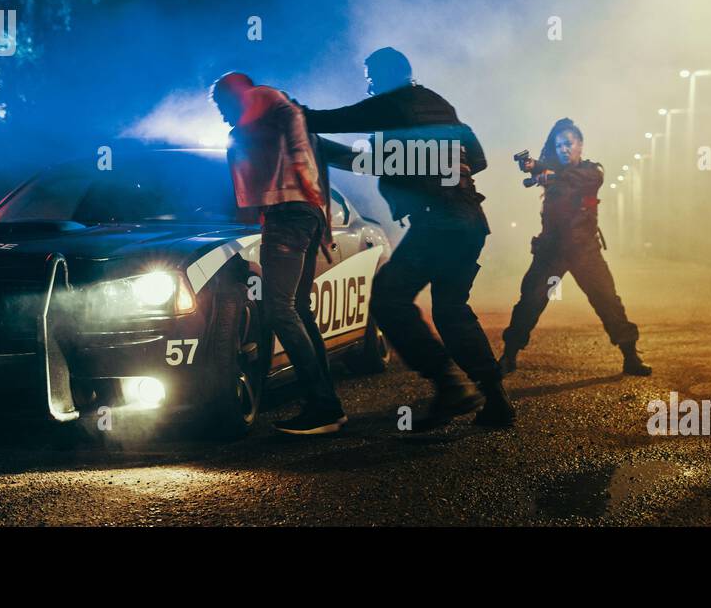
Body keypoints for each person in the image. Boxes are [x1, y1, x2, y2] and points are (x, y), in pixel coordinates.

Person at [301, 47, 515, 428]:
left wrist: (288, 112)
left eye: (369, 76)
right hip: (469, 222)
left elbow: (328, 120)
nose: (367, 85)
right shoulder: (439, 104)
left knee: (388, 298)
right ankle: (496, 399)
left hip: (439, 223)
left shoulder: (391, 103)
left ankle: (449, 384)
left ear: (383, 76)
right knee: (452, 311)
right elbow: (477, 158)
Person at [210, 72, 347, 435]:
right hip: (302, 214)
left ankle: (323, 406)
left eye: (222, 105)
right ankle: (327, 405)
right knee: (298, 310)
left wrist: (302, 173)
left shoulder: (263, 100)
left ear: (235, 94)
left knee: (279, 310)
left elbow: (291, 125)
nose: (223, 115)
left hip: (288, 215)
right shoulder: (261, 123)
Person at [499, 118, 651, 377]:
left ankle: (630, 356)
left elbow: (582, 178)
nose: (564, 149)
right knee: (530, 302)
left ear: (580, 144)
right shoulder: (549, 172)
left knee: (607, 301)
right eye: (559, 145)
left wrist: (548, 173)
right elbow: (546, 171)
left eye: (569, 143)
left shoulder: (591, 172)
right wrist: (534, 166)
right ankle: (509, 355)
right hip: (551, 252)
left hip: (585, 250)